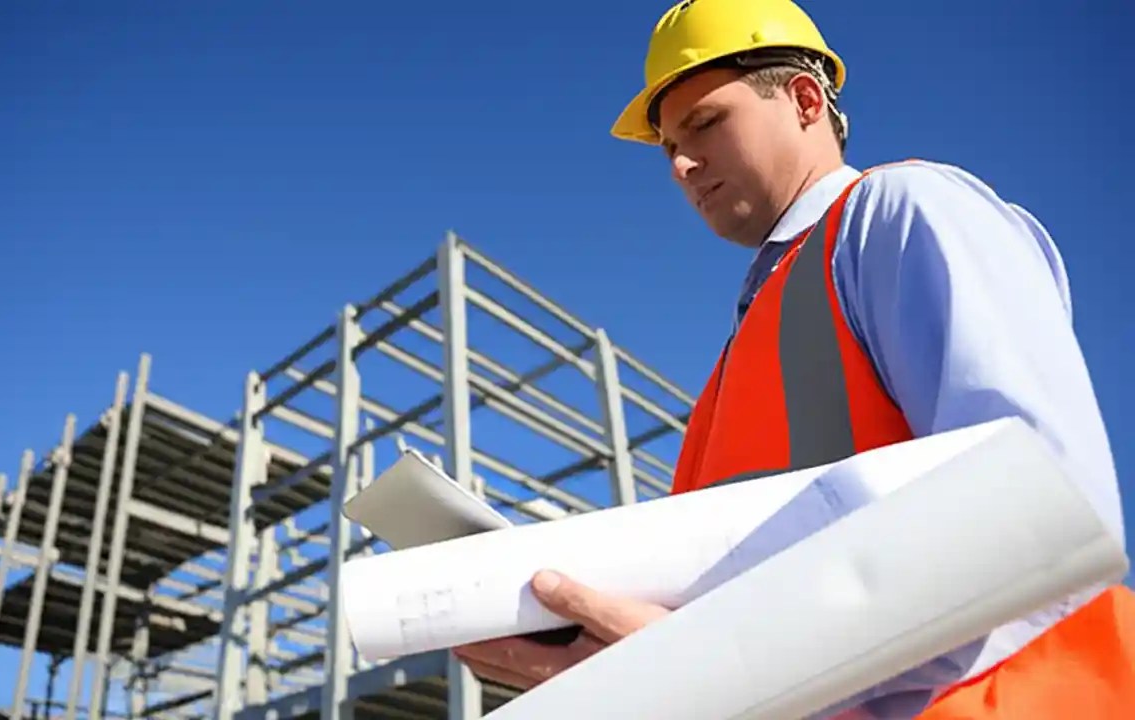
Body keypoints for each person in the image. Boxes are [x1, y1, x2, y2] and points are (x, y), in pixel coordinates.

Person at [453, 0, 1135, 716]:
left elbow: (1045, 505)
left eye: (706, 124)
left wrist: (711, 663)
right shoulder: (740, 362)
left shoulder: (902, 212)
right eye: (668, 150)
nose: (682, 165)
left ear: (806, 99)